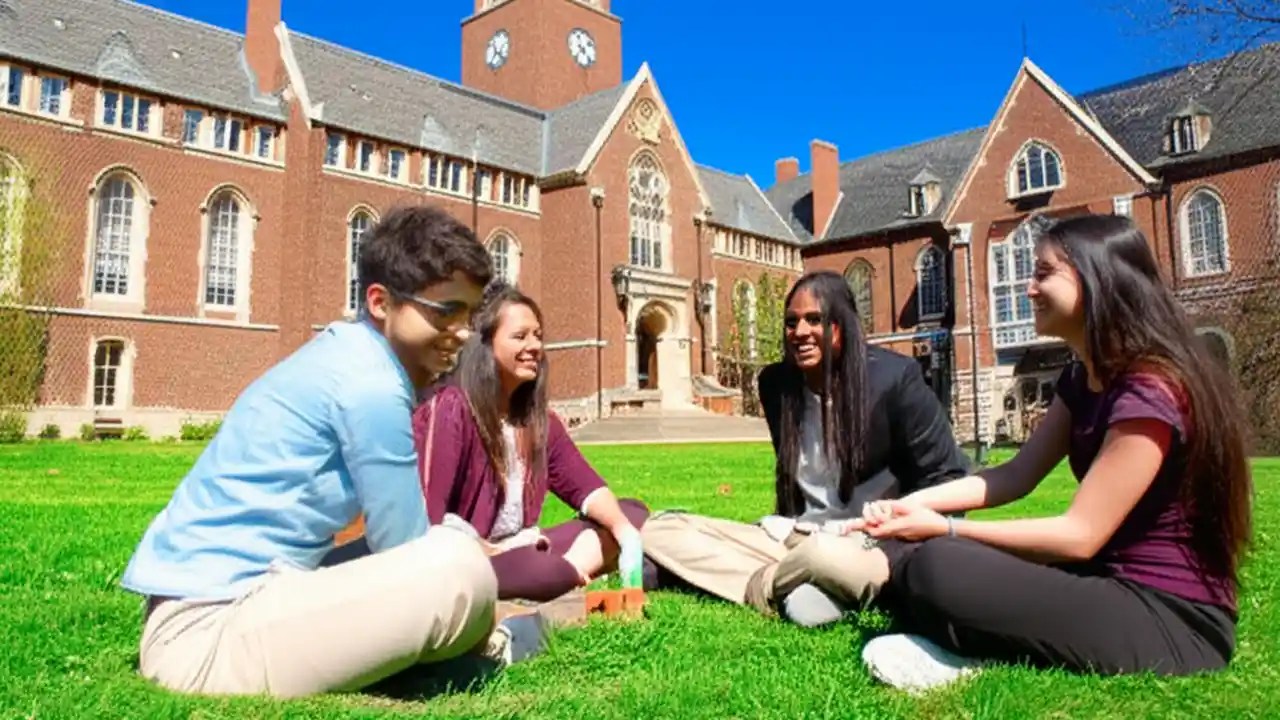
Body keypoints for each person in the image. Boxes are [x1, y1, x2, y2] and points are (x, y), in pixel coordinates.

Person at [120, 205, 510, 698]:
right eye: (445, 311)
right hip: (206, 634)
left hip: (238, 604)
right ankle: (486, 649)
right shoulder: (369, 383)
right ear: (380, 301)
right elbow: (406, 547)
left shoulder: (349, 356)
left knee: (450, 546)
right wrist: (482, 614)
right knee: (459, 566)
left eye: (470, 314)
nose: (462, 331)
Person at [855, 215, 1253, 694]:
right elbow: (1016, 476)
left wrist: (947, 527)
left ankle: (968, 656)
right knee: (928, 559)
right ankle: (974, 640)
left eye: (1044, 273)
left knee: (937, 566)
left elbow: (1080, 535)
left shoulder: (1150, 387)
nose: (1028, 288)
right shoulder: (1082, 377)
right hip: (1105, 580)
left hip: (1172, 618)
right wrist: (919, 503)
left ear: (1098, 278)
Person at [642, 270, 971, 627]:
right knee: (658, 528)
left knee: (808, 603)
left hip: (865, 543)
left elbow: (947, 479)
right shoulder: (776, 385)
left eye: (815, 320)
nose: (800, 332)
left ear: (842, 324)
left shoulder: (896, 379)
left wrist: (898, 534)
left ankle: (752, 580)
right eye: (791, 322)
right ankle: (784, 580)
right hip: (794, 534)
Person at [416, 283, 650, 602]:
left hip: (524, 547)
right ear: (484, 344)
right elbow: (429, 519)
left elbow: (586, 486)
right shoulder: (451, 409)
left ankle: (564, 572)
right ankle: (564, 574)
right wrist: (495, 550)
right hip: (469, 555)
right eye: (520, 336)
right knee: (538, 568)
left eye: (538, 335)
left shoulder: (538, 421)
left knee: (630, 512)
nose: (534, 346)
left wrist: (626, 535)